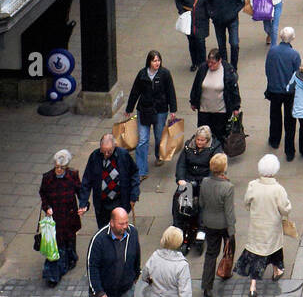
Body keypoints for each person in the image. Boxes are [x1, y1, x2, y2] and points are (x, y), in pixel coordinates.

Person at [235, 155, 292, 297]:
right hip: (272, 227)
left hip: (257, 226)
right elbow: (285, 209)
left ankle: (255, 285)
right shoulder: (278, 189)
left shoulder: (253, 185)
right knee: (273, 248)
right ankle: (274, 271)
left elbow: (247, 203)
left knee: (257, 253)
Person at [125, 50, 178, 179]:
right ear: (149, 61)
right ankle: (141, 171)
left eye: (158, 60)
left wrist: (173, 110)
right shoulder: (142, 75)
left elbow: (171, 91)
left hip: (160, 110)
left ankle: (158, 155)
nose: (157, 63)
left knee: (159, 136)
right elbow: (135, 91)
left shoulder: (165, 74)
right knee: (143, 140)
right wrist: (129, 108)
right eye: (154, 60)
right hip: (144, 109)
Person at [86, 207, 140, 297]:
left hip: (124, 293)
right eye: (121, 224)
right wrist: (99, 292)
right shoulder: (98, 240)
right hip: (102, 296)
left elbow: (136, 254)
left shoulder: (133, 233)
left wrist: (136, 274)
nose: (125, 226)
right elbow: (91, 267)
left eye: (127, 222)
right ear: (112, 223)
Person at [38, 150, 83, 285]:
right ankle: (53, 275)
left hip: (69, 215)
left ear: (66, 167)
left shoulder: (73, 175)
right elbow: (43, 194)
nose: (58, 170)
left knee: (69, 239)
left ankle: (70, 260)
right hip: (55, 216)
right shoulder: (47, 178)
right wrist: (47, 208)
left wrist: (83, 205)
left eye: (62, 168)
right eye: (57, 166)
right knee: (56, 245)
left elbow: (80, 191)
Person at [79, 133, 140, 230]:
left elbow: (134, 173)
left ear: (115, 146)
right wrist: (83, 202)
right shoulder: (95, 157)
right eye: (104, 151)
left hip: (120, 201)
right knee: (104, 230)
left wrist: (134, 194)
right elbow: (87, 180)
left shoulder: (123, 155)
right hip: (102, 204)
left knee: (119, 228)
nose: (106, 154)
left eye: (109, 151)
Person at [198, 152, 235, 297]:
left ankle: (207, 286)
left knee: (211, 254)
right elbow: (229, 212)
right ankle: (225, 271)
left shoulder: (205, 182)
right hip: (224, 225)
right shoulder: (228, 187)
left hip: (209, 223)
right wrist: (231, 230)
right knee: (228, 250)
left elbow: (201, 203)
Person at [143, 226, 195, 297]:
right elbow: (185, 294)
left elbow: (145, 275)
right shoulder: (182, 265)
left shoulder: (155, 257)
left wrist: (151, 281)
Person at [189, 48, 240, 144]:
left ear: (220, 60)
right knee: (203, 135)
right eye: (209, 62)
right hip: (204, 110)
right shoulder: (203, 69)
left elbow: (234, 90)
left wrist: (235, 107)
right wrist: (193, 102)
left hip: (221, 112)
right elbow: (196, 86)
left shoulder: (228, 70)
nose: (210, 65)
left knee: (219, 136)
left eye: (213, 63)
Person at [265, 27, 301, 162]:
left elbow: (267, 69)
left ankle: (274, 140)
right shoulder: (294, 54)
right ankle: (289, 150)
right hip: (289, 92)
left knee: (274, 116)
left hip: (274, 89)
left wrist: (271, 82)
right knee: (290, 121)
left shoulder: (272, 51)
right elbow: (297, 74)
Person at [203, 0, 245, 69]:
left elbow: (241, 2)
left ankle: (234, 66)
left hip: (232, 21)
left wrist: (233, 12)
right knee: (221, 45)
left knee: (234, 44)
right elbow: (207, 1)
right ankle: (225, 65)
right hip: (218, 21)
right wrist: (211, 13)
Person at [176, 0, 210, 70]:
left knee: (200, 42)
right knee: (192, 42)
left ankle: (203, 64)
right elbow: (178, 0)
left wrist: (207, 14)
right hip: (188, 19)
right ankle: (194, 62)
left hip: (201, 19)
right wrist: (182, 11)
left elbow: (210, 3)